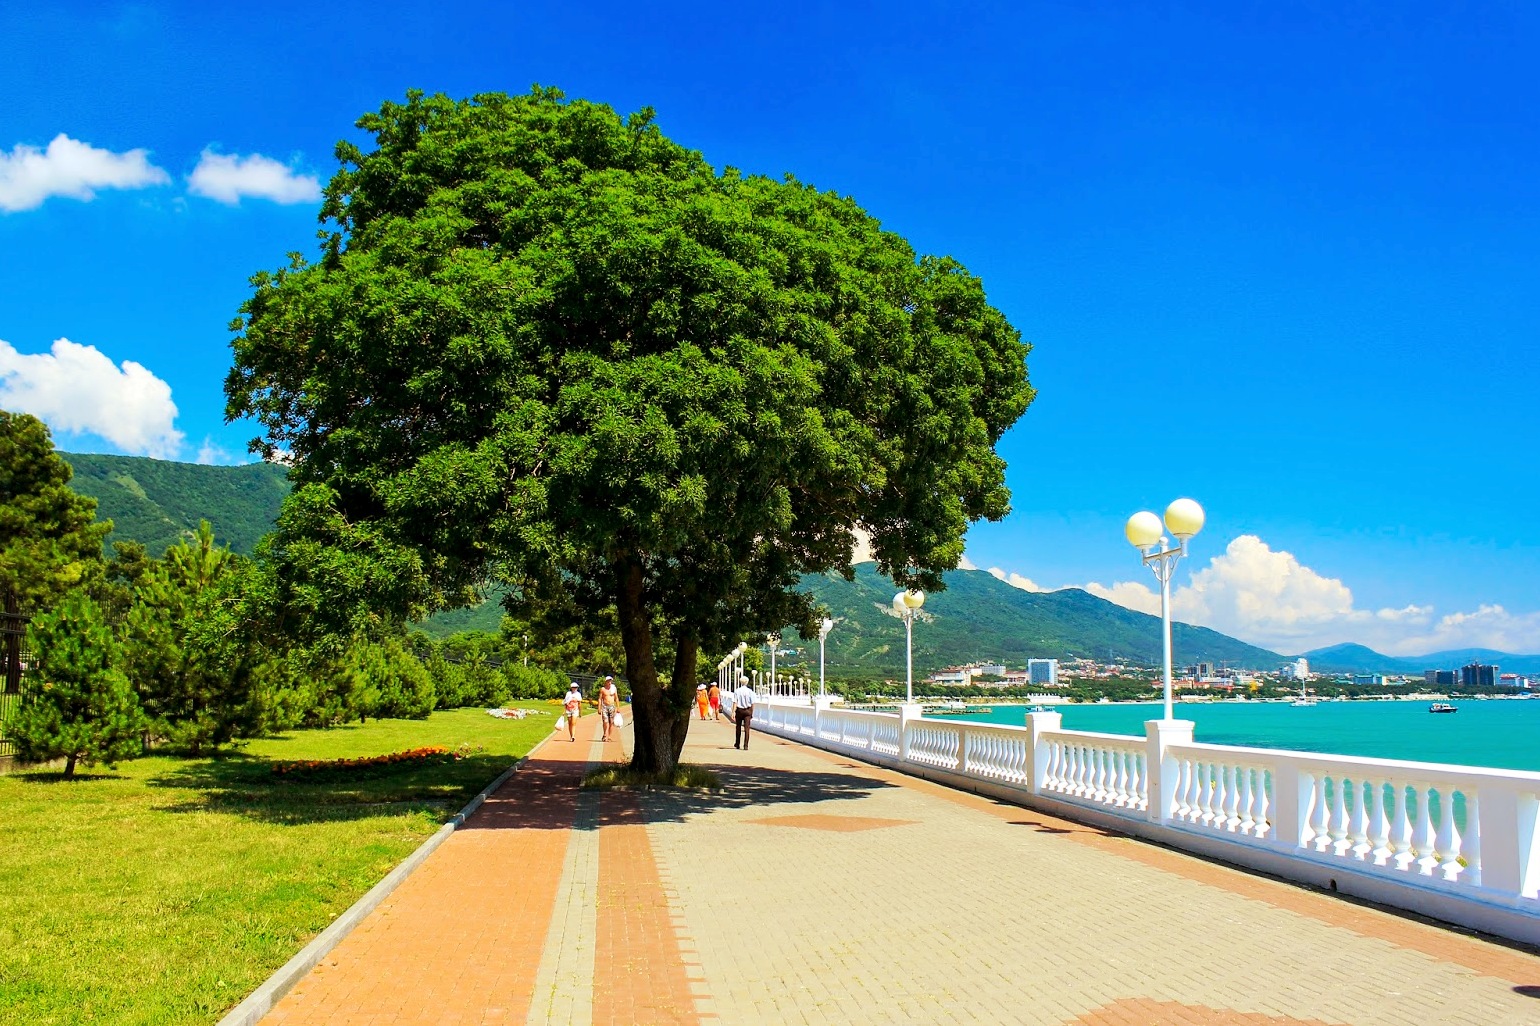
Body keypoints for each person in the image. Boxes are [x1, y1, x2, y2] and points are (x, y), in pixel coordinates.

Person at [732, 675, 756, 750]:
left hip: (739, 710)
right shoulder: (750, 692)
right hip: (747, 710)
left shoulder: (737, 691)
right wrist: (751, 712)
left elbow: (735, 702)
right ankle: (746, 745)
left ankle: (737, 743)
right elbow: (752, 703)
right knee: (747, 728)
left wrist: (733, 712)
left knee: (738, 727)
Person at [598, 675, 619, 742]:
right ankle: (605, 734)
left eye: (610, 681)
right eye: (608, 681)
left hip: (612, 706)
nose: (609, 682)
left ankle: (609, 736)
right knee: (605, 721)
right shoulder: (603, 689)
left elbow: (616, 698)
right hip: (605, 706)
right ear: (605, 682)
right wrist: (599, 708)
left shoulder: (613, 689)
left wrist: (618, 707)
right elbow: (600, 699)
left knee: (611, 722)